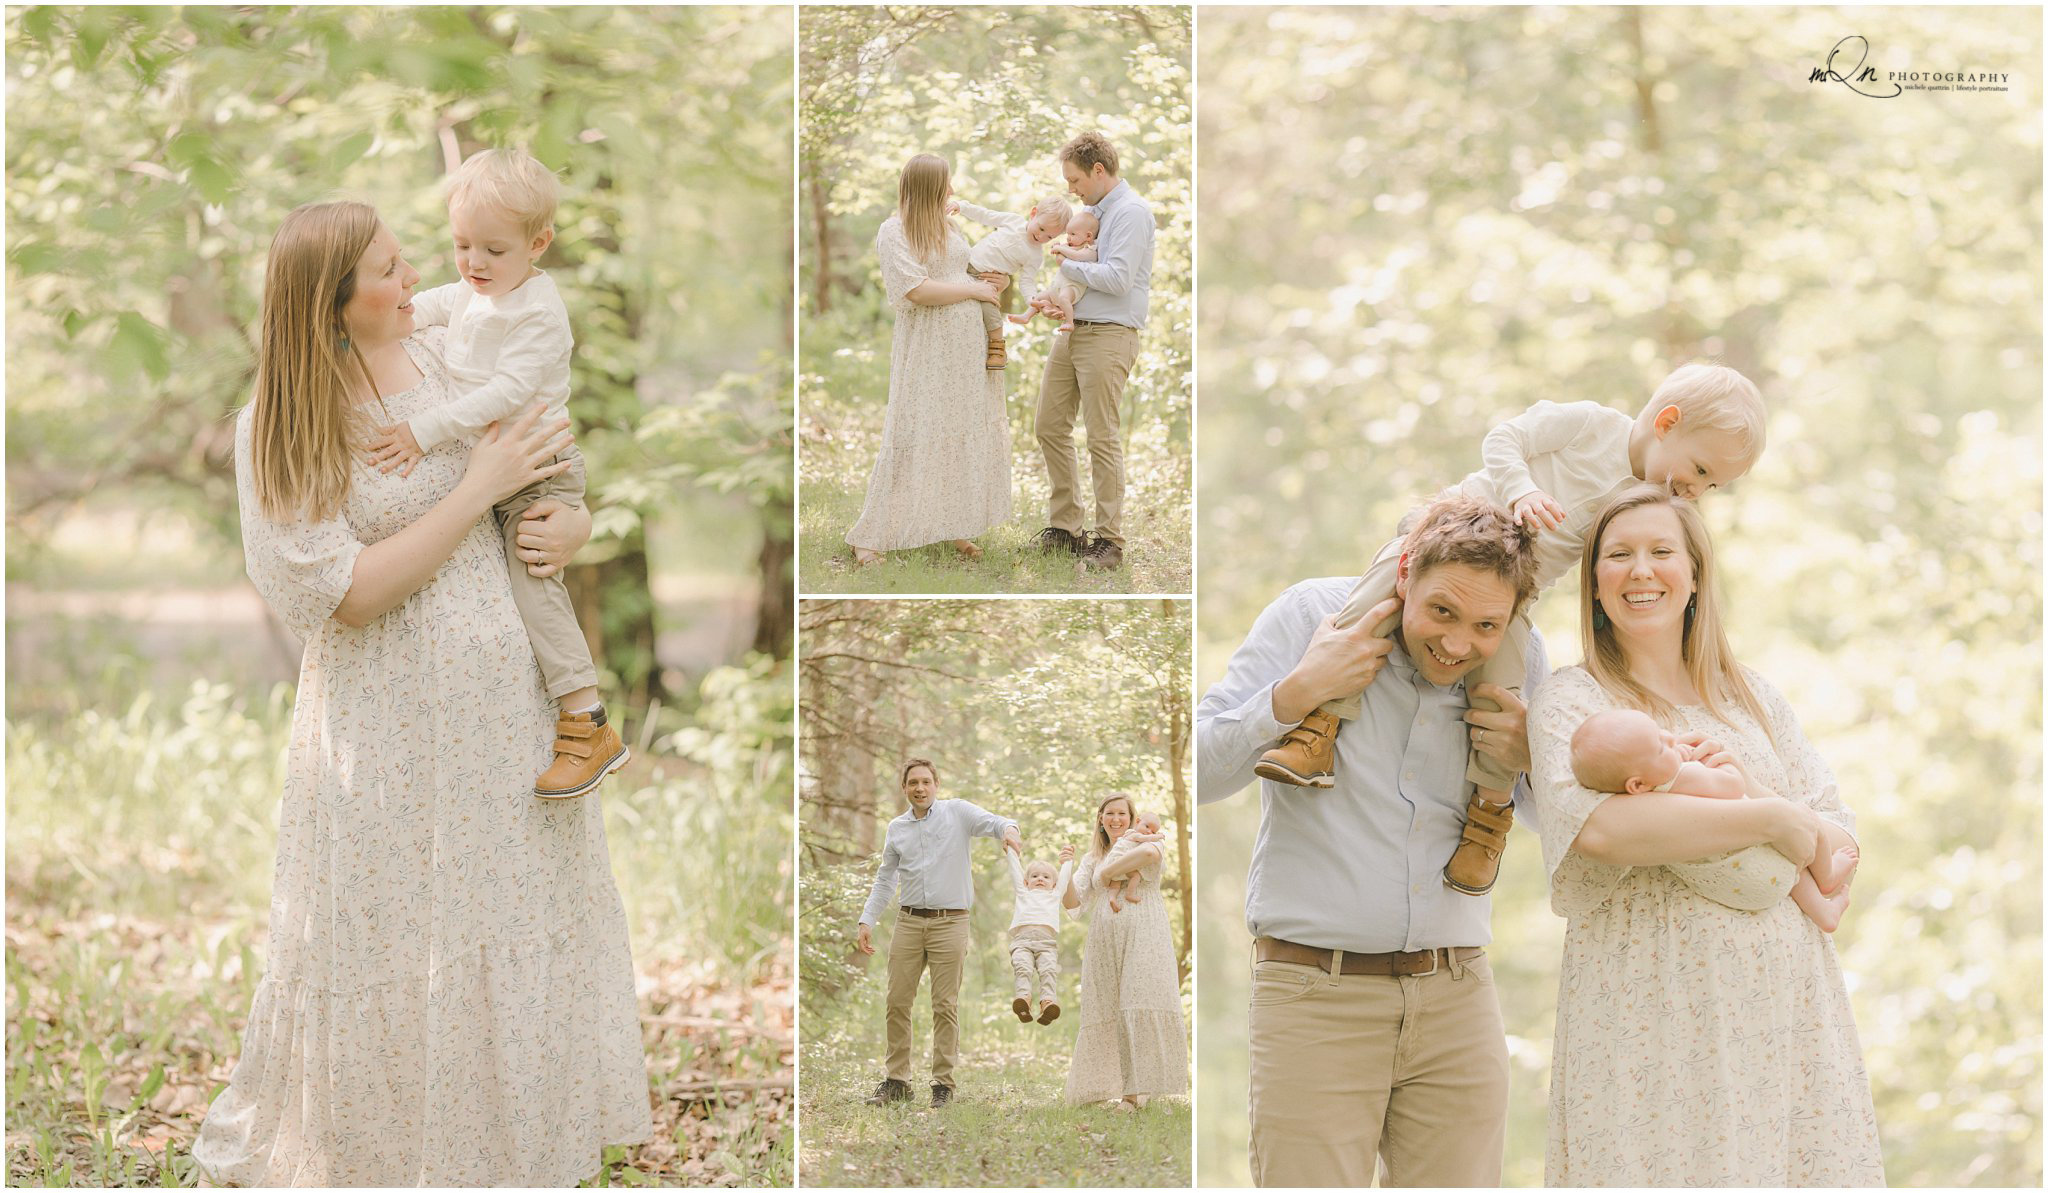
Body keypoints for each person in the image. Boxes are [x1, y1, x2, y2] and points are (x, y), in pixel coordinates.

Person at [194, 201, 650, 1185]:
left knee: (507, 918)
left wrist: (570, 522)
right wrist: (470, 487)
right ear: (330, 300)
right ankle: (383, 1155)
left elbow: (545, 472)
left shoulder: (449, 356)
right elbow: (345, 594)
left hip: (506, 713)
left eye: (410, 262)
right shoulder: (278, 425)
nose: (418, 284)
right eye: (390, 272)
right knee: (389, 929)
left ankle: (506, 1155)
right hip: (383, 724)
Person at [1258, 363, 1767, 899]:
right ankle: (1318, 729)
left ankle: (1488, 815)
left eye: (1713, 484)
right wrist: (1520, 490)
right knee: (1368, 608)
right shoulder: (1591, 427)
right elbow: (1505, 438)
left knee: (1502, 698)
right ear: (1666, 422)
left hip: (1512, 595)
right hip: (1448, 541)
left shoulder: (1639, 504)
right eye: (1702, 469)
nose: (1700, 489)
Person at [1526, 482, 1883, 1183]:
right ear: (1594, 584)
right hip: (1647, 1009)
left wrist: (1785, 819)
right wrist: (1769, 816)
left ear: (1694, 576)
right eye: (1618, 554)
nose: (1640, 570)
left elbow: (1838, 834)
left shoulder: (1750, 698)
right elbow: (1601, 830)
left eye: (1662, 551)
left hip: (1784, 1013)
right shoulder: (1575, 701)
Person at [1197, 493, 1546, 1186]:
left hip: (1458, 997)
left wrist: (1533, 754)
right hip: (1314, 997)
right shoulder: (1309, 615)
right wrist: (1294, 694)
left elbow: (1553, 823)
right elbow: (1196, 772)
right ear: (1406, 571)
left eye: (1484, 624)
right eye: (1441, 611)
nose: (1456, 644)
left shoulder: (1519, 657)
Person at [362, 147, 625, 799]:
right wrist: (380, 319)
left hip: (538, 466)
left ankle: (586, 718)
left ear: (538, 245)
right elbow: (436, 304)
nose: (474, 263)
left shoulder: (537, 310)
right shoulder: (481, 292)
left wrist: (424, 431)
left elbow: (508, 392)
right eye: (462, 245)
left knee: (535, 581)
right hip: (505, 459)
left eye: (493, 250)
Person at [847, 154, 1013, 567]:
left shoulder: (950, 226)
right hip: (927, 346)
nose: (953, 191)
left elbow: (966, 273)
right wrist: (974, 292)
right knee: (914, 427)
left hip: (965, 347)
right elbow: (915, 290)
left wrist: (997, 282)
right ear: (928, 188)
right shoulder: (894, 231)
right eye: (947, 184)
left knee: (957, 430)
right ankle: (871, 534)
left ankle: (952, 524)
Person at [1570, 706, 1860, 930]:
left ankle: (1824, 914)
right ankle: (1828, 875)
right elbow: (1732, 787)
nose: (1670, 738)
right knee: (1804, 820)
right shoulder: (1683, 775)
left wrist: (1670, 754)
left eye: (1661, 732)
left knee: (1785, 863)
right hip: (1763, 866)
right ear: (1637, 784)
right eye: (1660, 746)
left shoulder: (1645, 801)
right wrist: (1727, 766)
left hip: (1745, 883)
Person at [855, 757, 1022, 1108]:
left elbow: (997, 822)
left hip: (951, 921)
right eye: (913, 782)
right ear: (904, 788)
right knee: (896, 1001)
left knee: (944, 1005)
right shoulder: (897, 828)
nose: (919, 788)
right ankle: (897, 1080)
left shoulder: (957, 813)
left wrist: (1009, 832)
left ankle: (942, 1084)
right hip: (909, 921)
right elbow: (886, 878)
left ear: (936, 784)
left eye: (926, 782)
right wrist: (867, 919)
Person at [1034, 131, 1155, 571]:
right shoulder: (1091, 214)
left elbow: (1120, 278)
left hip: (1110, 335)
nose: (1071, 189)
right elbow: (1088, 277)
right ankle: (1065, 529)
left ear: (1098, 170)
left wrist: (1063, 261)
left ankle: (1109, 541)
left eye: (1075, 179)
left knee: (1101, 436)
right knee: (1049, 425)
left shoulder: (1132, 213)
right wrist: (1061, 298)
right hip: (1073, 331)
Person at [1062, 795, 1189, 1110]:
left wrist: (1108, 874)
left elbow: (1146, 853)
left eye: (1122, 814)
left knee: (1137, 999)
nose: (1116, 819)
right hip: (1104, 938)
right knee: (1106, 1005)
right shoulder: (1092, 859)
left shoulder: (1148, 841)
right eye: (1110, 814)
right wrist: (1064, 869)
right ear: (1101, 819)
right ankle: (1102, 1088)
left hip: (1144, 930)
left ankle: (1135, 1095)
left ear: (1132, 819)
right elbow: (1073, 903)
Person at [951, 192, 1071, 369]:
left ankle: (997, 347)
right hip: (964, 265)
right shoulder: (1013, 221)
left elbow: (1027, 281)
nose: (1041, 237)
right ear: (1033, 214)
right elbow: (985, 215)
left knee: (990, 311)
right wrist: (962, 207)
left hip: (986, 282)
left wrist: (1031, 299)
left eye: (1049, 237)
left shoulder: (1035, 255)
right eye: (1042, 229)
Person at [1003, 849, 1073, 1024]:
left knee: (1048, 971)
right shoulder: (1023, 893)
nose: (1040, 879)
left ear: (1054, 884)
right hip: (1022, 942)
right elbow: (1015, 871)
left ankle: (1048, 1002)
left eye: (1046, 877)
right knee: (1023, 968)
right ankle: (1023, 1000)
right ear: (1026, 882)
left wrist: (1068, 861)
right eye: (1035, 876)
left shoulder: (1055, 895)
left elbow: (1064, 879)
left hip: (1046, 943)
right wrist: (1011, 850)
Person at [1013, 208, 1099, 333]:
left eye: (1073, 234)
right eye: (1068, 234)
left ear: (1088, 236)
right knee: (1039, 296)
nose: (1068, 238)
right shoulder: (1071, 247)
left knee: (1064, 298)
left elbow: (1077, 256)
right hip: (1056, 287)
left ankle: (1069, 322)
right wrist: (1059, 247)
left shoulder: (1089, 250)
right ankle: (1026, 316)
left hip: (1071, 288)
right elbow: (1063, 255)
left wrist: (1060, 249)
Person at [1100, 808, 1165, 911]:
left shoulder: (1128, 834)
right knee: (1136, 875)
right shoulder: (1134, 834)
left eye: (1153, 831)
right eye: (1147, 826)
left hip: (1114, 860)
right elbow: (1145, 839)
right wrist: (1158, 836)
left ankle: (1112, 898)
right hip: (1119, 859)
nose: (1149, 832)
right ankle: (1130, 894)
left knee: (1116, 882)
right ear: (1137, 822)